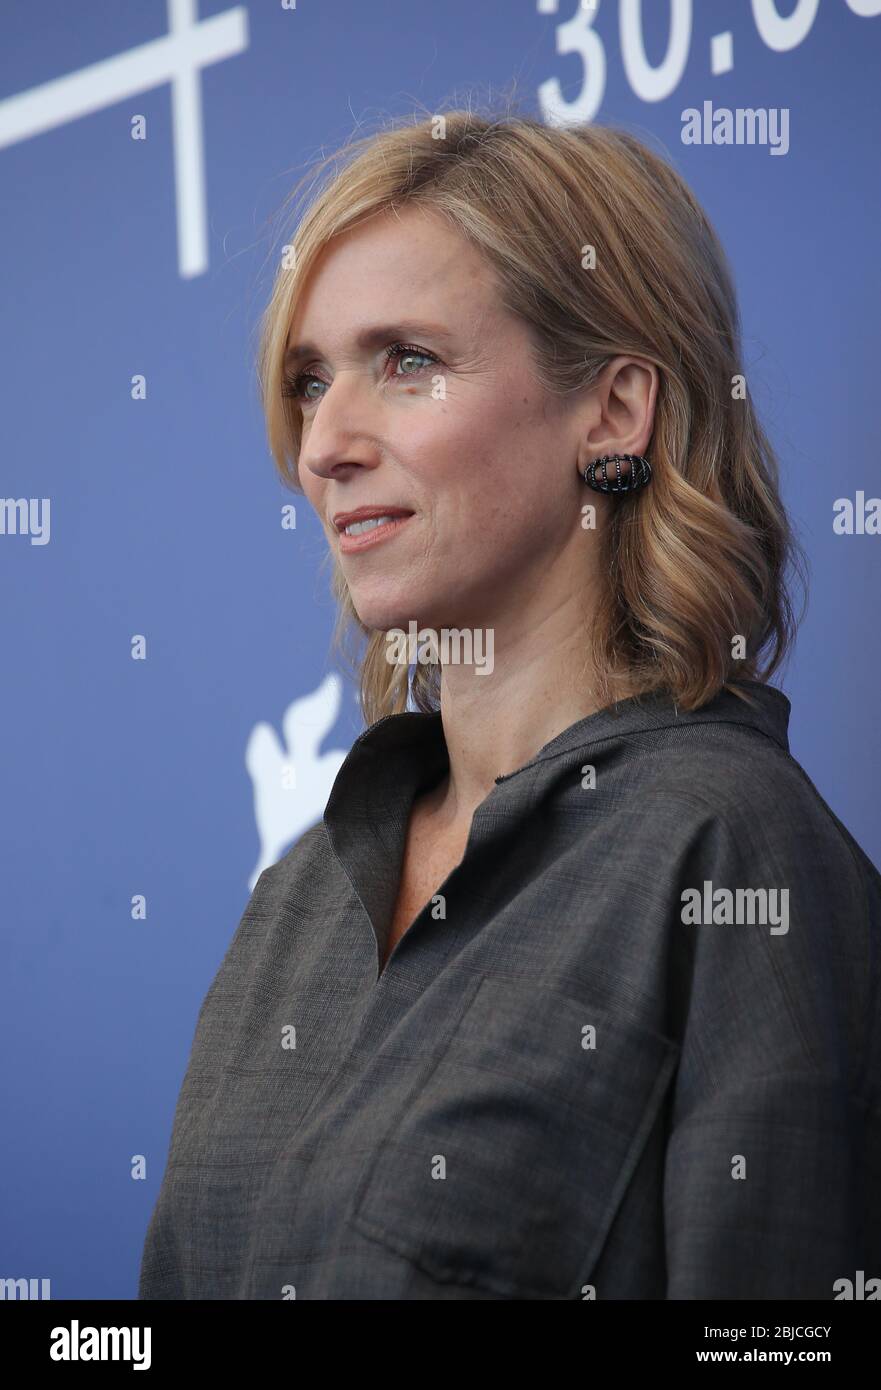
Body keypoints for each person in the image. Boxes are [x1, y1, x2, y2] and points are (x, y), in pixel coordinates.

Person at [138, 111, 881, 1300]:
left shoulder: (736, 853)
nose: (322, 442)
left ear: (613, 413)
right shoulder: (297, 899)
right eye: (309, 379)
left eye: (408, 361)